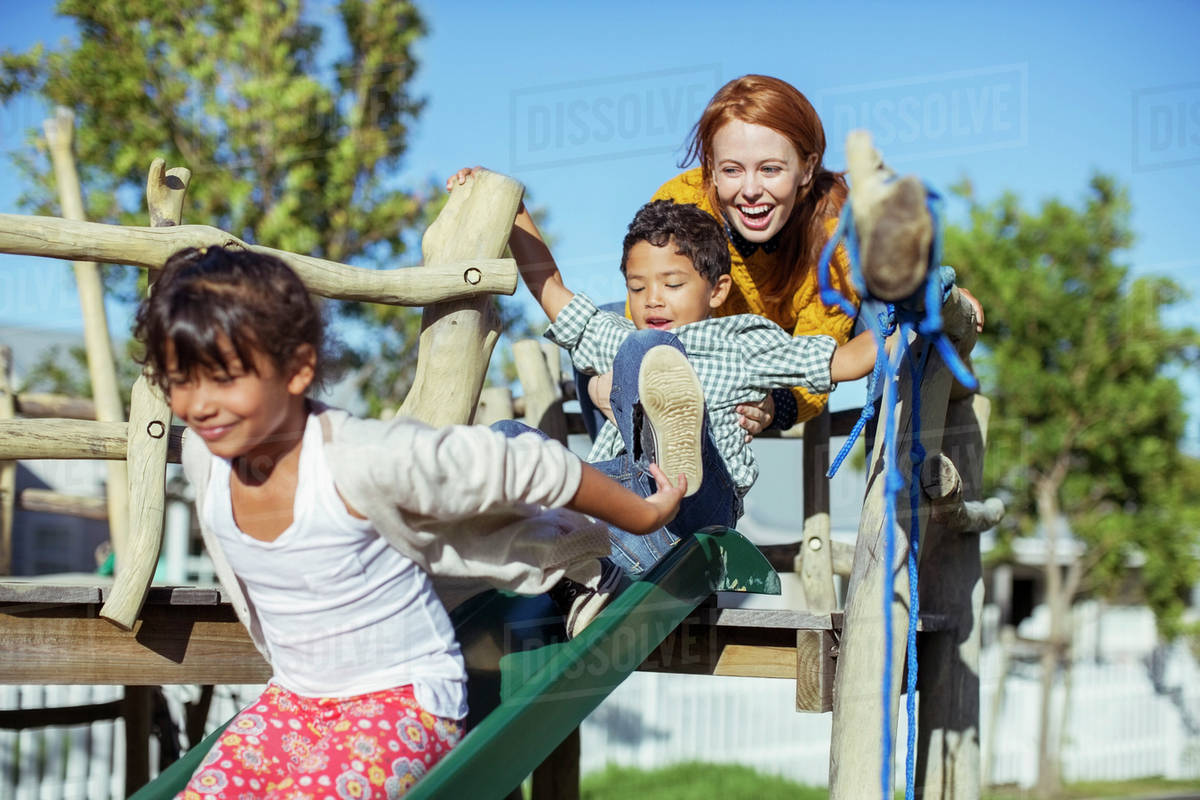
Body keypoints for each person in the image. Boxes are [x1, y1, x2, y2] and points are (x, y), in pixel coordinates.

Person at [136, 245, 685, 798]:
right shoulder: (208, 458)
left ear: (297, 367)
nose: (200, 404)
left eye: (224, 378)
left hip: (400, 702)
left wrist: (643, 514)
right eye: (180, 379)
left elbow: (522, 464)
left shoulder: (362, 458)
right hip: (296, 701)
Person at [449, 167, 875, 574]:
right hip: (619, 508)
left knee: (646, 348)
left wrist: (910, 321)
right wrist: (513, 204)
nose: (653, 299)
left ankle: (672, 460)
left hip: (698, 515)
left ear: (718, 290)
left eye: (672, 285)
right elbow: (549, 287)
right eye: (637, 287)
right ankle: (555, 554)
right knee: (508, 438)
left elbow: (846, 361)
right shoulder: (616, 336)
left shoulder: (742, 340)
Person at [646, 74, 983, 438]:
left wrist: (777, 404)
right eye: (731, 170)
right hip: (707, 342)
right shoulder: (681, 206)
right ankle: (634, 480)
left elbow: (821, 347)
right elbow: (650, 300)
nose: (751, 189)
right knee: (615, 327)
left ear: (806, 168)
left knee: (886, 317)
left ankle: (894, 480)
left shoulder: (831, 230)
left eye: (770, 169)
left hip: (799, 345)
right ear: (711, 167)